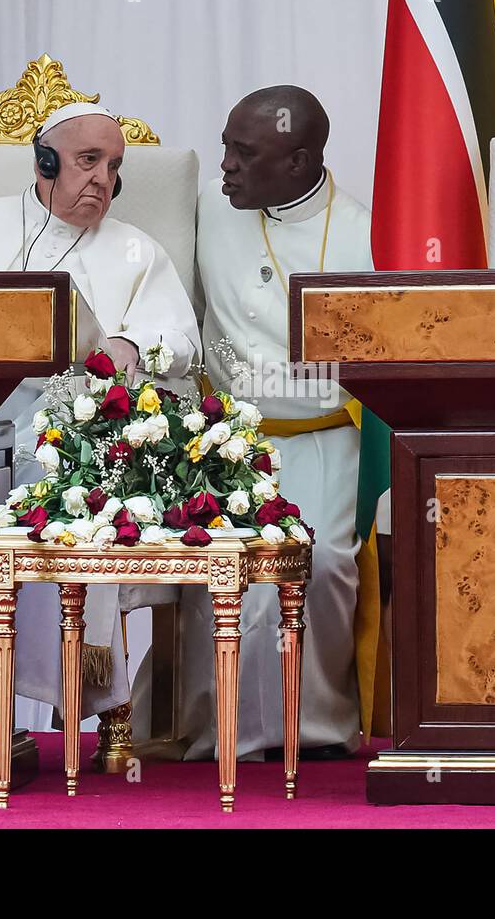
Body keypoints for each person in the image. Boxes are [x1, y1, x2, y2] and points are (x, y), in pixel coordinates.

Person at [0, 101, 201, 725]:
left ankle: (73, 686)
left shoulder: (136, 252)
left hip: (70, 431)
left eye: (114, 167)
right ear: (44, 161)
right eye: (88, 161)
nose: (103, 180)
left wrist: (127, 345)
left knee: (65, 479)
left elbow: (182, 344)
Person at [134, 85, 373, 760]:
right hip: (226, 437)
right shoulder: (208, 207)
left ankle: (318, 726)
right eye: (225, 149)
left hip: (322, 433)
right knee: (228, 569)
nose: (227, 167)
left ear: (299, 162)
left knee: (320, 564)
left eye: (244, 153)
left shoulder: (362, 233)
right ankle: (219, 732)